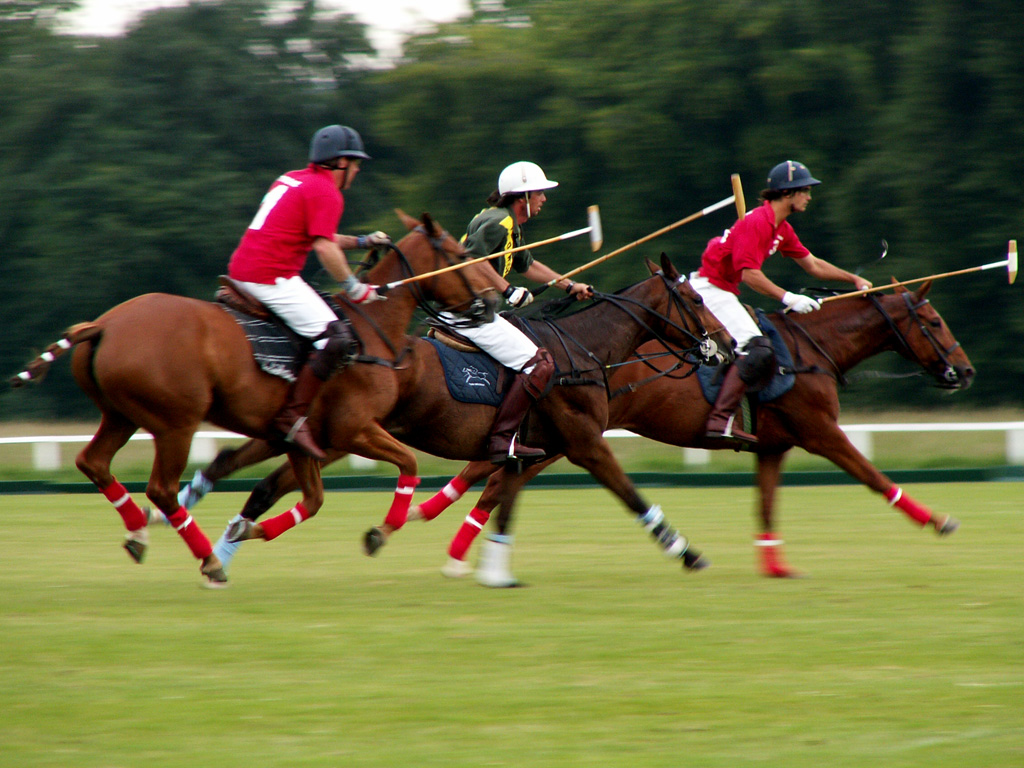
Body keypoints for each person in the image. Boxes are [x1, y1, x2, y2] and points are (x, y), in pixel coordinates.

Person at [228, 124, 391, 460]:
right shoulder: (326, 191)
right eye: (355, 162)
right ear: (339, 162)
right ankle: (294, 415)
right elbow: (325, 248)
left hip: (241, 270)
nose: (358, 169)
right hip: (271, 276)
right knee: (337, 339)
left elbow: (324, 235)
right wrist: (355, 287)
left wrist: (363, 241)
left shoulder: (294, 179)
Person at [692, 160, 872, 448]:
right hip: (710, 289)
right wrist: (788, 297)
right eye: (805, 191)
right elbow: (750, 275)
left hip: (724, 289)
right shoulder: (757, 222)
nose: (809, 197)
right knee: (756, 346)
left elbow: (812, 264)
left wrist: (853, 279)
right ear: (788, 193)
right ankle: (720, 419)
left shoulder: (781, 229)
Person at [450, 161, 594, 463]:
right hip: (471, 313)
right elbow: (470, 259)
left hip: (471, 310)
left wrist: (569, 286)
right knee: (540, 364)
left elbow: (527, 265)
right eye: (539, 193)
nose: (543, 199)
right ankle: (502, 440)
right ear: (522, 197)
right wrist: (507, 290)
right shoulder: (500, 221)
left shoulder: (507, 225)